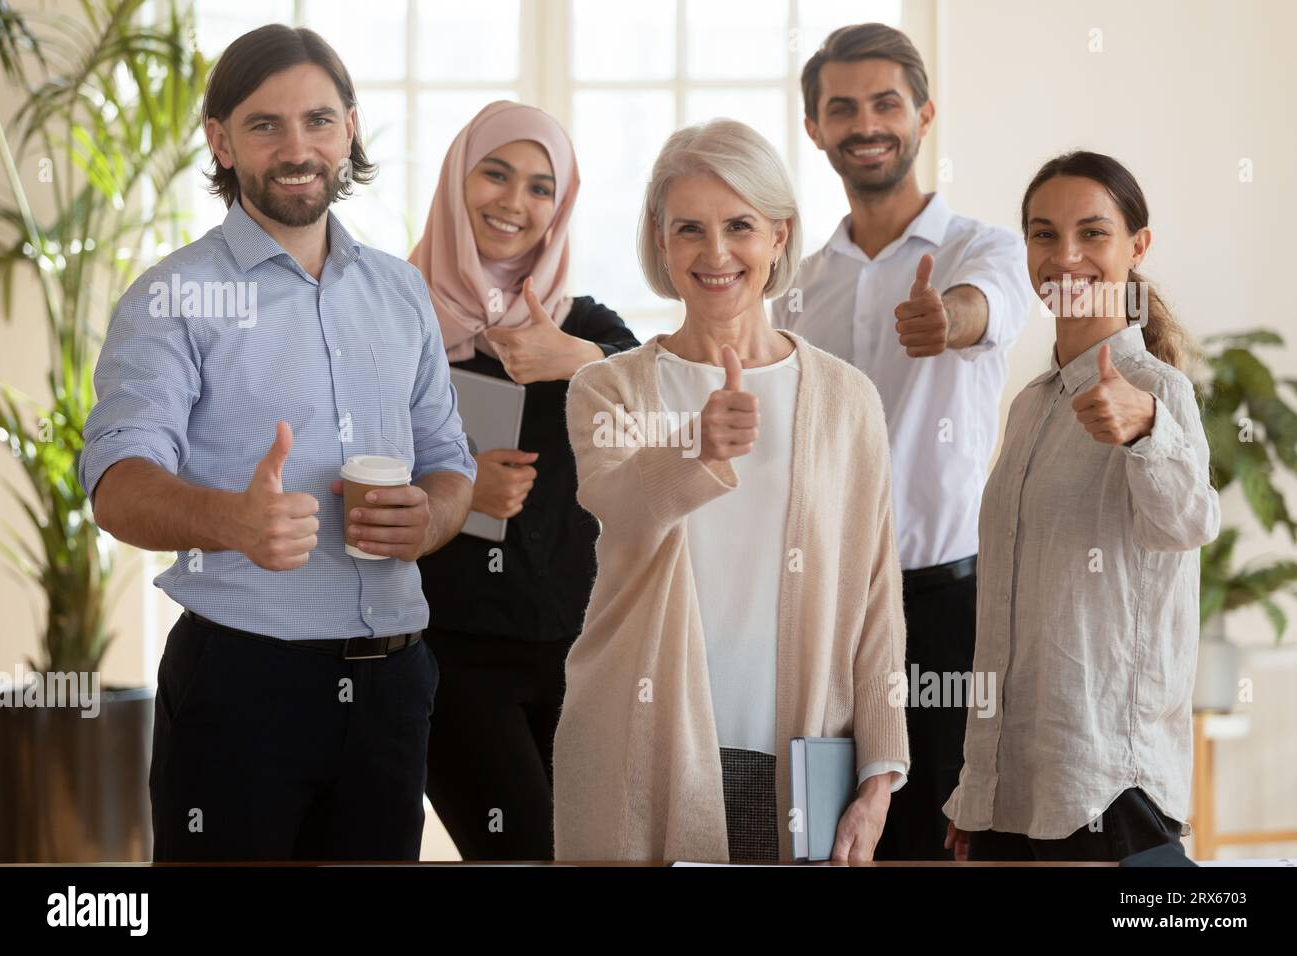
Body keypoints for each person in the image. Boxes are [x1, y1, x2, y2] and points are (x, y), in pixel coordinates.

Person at [77, 25, 476, 862]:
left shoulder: (401, 291)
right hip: (242, 691)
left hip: (392, 691)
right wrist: (232, 521)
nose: (298, 148)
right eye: (266, 125)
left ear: (350, 128)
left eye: (319, 121)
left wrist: (431, 516)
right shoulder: (172, 297)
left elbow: (449, 463)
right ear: (221, 141)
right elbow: (117, 480)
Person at [553, 119, 909, 864]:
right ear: (660, 239)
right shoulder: (606, 388)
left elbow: (877, 597)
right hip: (638, 747)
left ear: (779, 235)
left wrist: (880, 775)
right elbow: (619, 506)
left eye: (739, 226)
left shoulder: (847, 399)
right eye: (689, 229)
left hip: (800, 758)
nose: (715, 254)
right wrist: (697, 446)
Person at [772, 22, 1036, 861]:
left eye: (886, 102)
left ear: (925, 113)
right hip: (823, 606)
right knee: (827, 834)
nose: (866, 122)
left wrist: (947, 317)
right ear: (814, 128)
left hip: (944, 610)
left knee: (940, 837)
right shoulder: (798, 288)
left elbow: (988, 304)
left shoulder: (984, 249)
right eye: (841, 107)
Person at [942, 151, 1220, 862]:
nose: (1065, 257)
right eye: (1043, 235)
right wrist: (981, 787)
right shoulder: (1033, 405)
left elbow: (1190, 524)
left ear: (1137, 246)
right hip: (1016, 796)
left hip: (1111, 792)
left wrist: (1148, 429)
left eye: (1093, 233)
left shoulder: (1160, 391)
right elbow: (1003, 619)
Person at [408, 101, 639, 861]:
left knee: (598, 853)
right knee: (524, 853)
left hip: (579, 649)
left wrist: (575, 359)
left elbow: (668, 399)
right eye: (495, 174)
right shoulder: (392, 314)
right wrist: (455, 487)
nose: (514, 203)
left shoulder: (585, 323)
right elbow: (334, 460)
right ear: (457, 179)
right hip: (450, 648)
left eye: (541, 187)